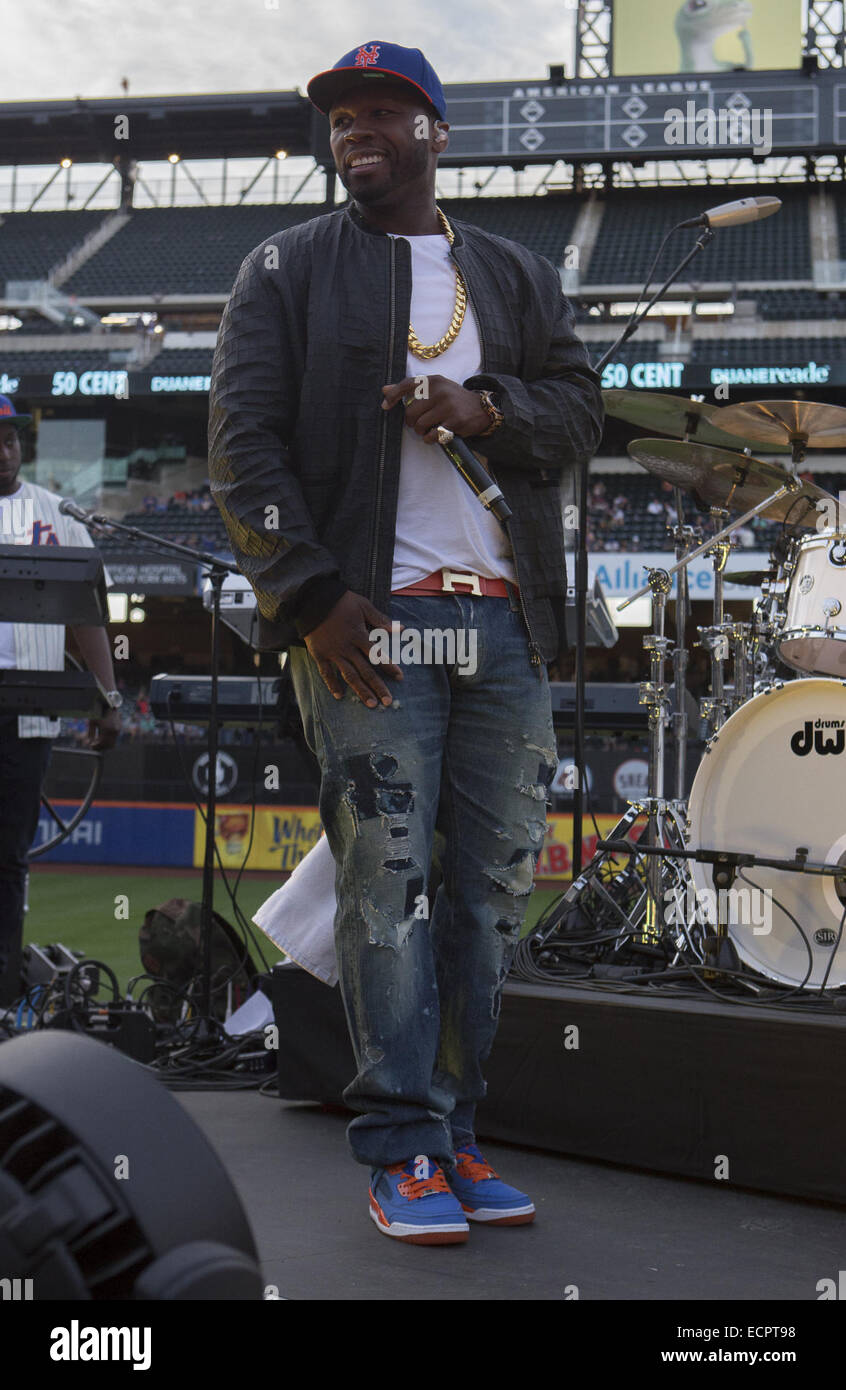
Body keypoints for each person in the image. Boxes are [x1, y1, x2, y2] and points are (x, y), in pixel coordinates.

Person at [208, 41, 603, 1245]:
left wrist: (490, 410)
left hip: (508, 623)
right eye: (341, 118)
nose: (355, 133)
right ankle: (397, 1144)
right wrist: (312, 595)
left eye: (383, 114)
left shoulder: (519, 278)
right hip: (374, 622)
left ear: (437, 133)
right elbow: (240, 442)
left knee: (486, 896)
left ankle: (457, 1127)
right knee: (389, 883)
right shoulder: (284, 269)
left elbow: (583, 413)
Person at [0, 397, 122, 1006]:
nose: (4, 451)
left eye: (11, 440)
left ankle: (1, 997)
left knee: (9, 858)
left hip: (27, 714)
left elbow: (88, 617)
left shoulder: (55, 512)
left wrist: (108, 697)